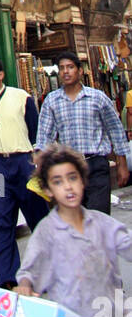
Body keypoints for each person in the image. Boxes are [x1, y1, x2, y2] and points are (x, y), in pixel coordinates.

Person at [15, 144, 132, 317]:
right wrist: (24, 285)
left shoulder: (103, 224)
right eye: (58, 182)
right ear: (48, 189)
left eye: (72, 178)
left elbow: (128, 243)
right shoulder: (46, 232)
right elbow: (29, 271)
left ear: (83, 181)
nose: (68, 186)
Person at [0, 57, 48, 289]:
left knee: (38, 218)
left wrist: (37, 162)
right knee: (2, 220)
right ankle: (7, 278)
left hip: (23, 164)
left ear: (1, 75)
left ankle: (47, 271)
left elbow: (36, 133)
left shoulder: (21, 98)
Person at [34, 52, 130, 213]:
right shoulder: (52, 101)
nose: (66, 72)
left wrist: (122, 165)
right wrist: (41, 171)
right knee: (75, 217)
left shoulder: (97, 98)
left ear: (79, 71)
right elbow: (44, 137)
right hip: (68, 167)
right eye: (62, 68)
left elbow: (116, 130)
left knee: (98, 215)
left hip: (96, 164)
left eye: (70, 67)